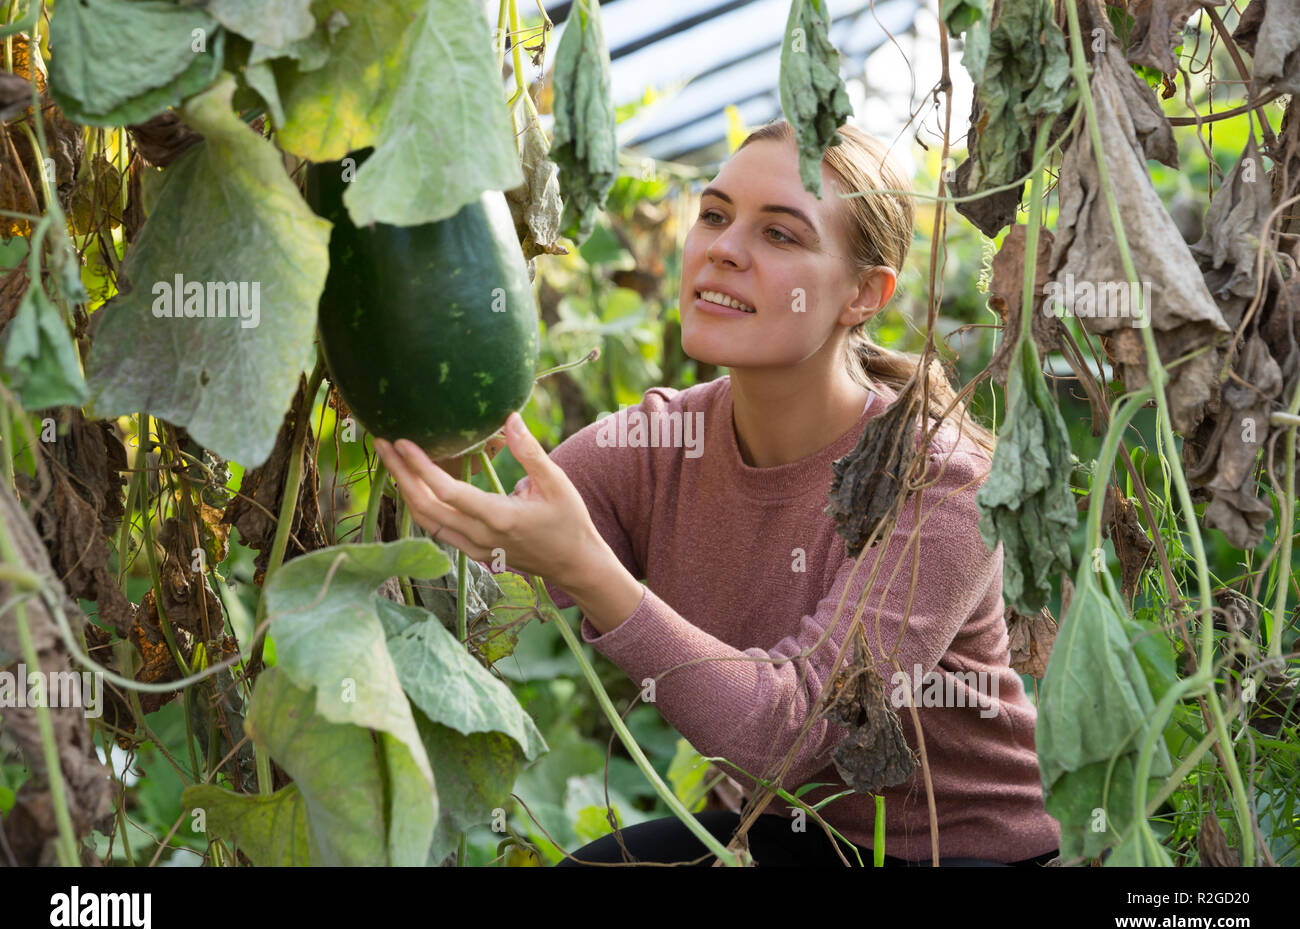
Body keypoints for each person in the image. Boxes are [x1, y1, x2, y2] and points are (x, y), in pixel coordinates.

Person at [374, 118, 1062, 868]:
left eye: (780, 236)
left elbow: (791, 732)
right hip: (777, 834)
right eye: (713, 215)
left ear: (863, 294)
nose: (724, 249)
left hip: (959, 855)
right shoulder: (657, 444)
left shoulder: (939, 477)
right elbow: (478, 533)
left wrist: (590, 574)